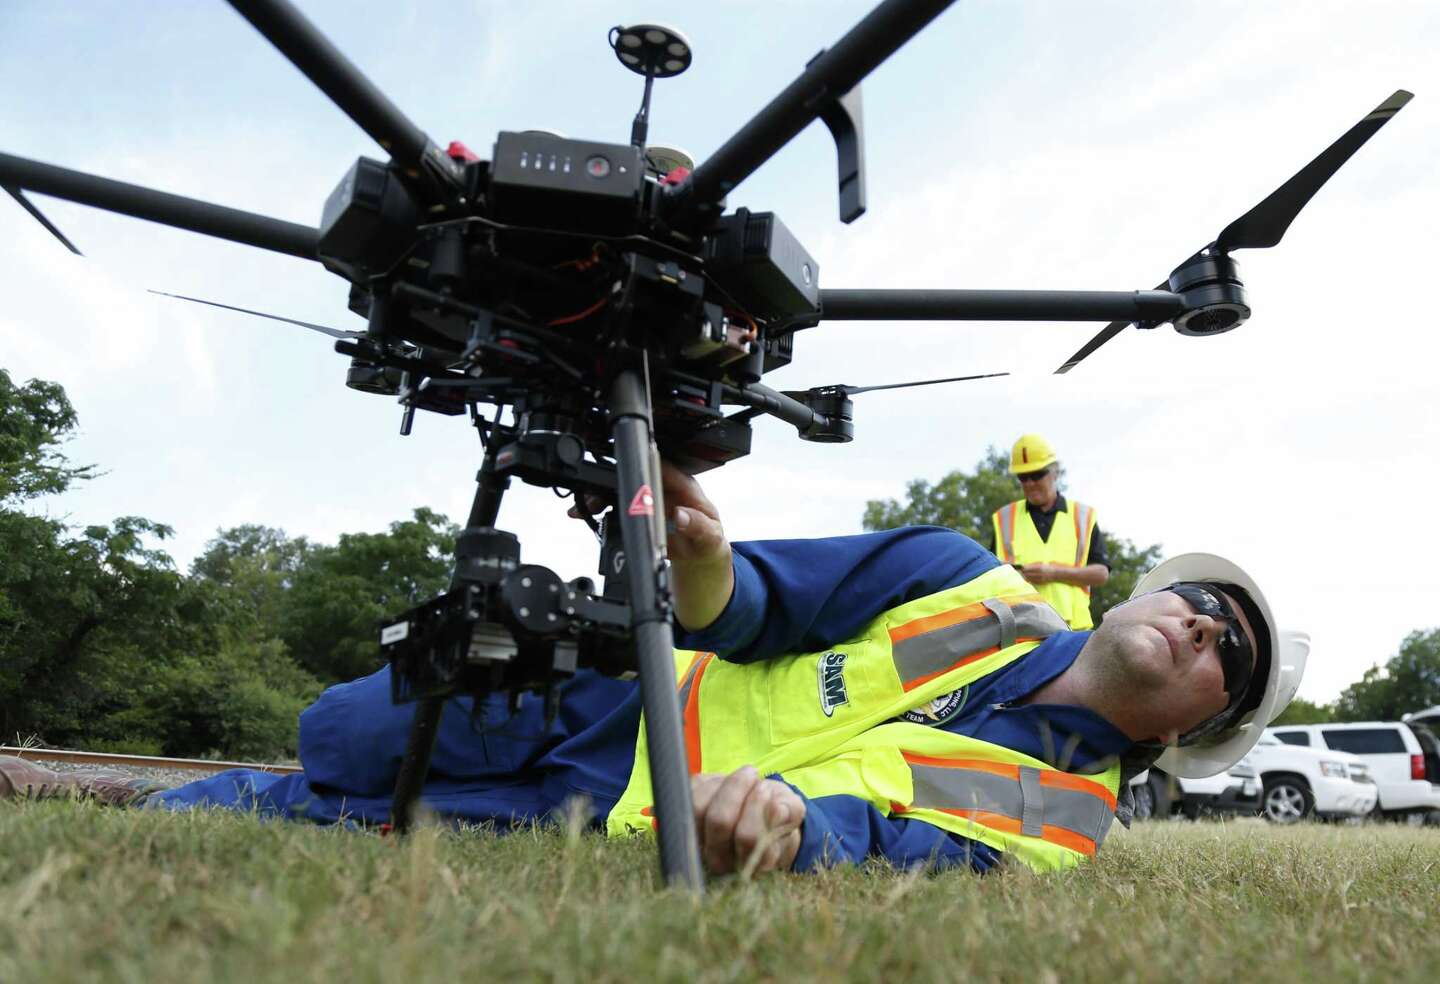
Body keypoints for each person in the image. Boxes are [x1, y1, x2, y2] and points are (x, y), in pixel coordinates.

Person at [0, 466, 1307, 876]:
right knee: (336, 736)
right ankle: (116, 785)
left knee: (323, 819)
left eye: (1229, 654)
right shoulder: (969, 572)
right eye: (1200, 601)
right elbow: (759, 602)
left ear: (1204, 720)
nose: (1203, 627)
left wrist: (795, 835)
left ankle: (125, 810)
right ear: (1144, 587)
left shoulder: (1064, 821)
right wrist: (699, 570)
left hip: (621, 810)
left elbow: (900, 848)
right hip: (610, 696)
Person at [990, 433, 1109, 630]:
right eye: (1023, 477)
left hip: (1073, 631)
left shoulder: (1082, 516)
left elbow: (1101, 574)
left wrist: (1053, 573)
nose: (1029, 483)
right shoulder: (1004, 519)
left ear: (1055, 472)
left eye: (1036, 475)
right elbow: (991, 578)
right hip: (1021, 630)